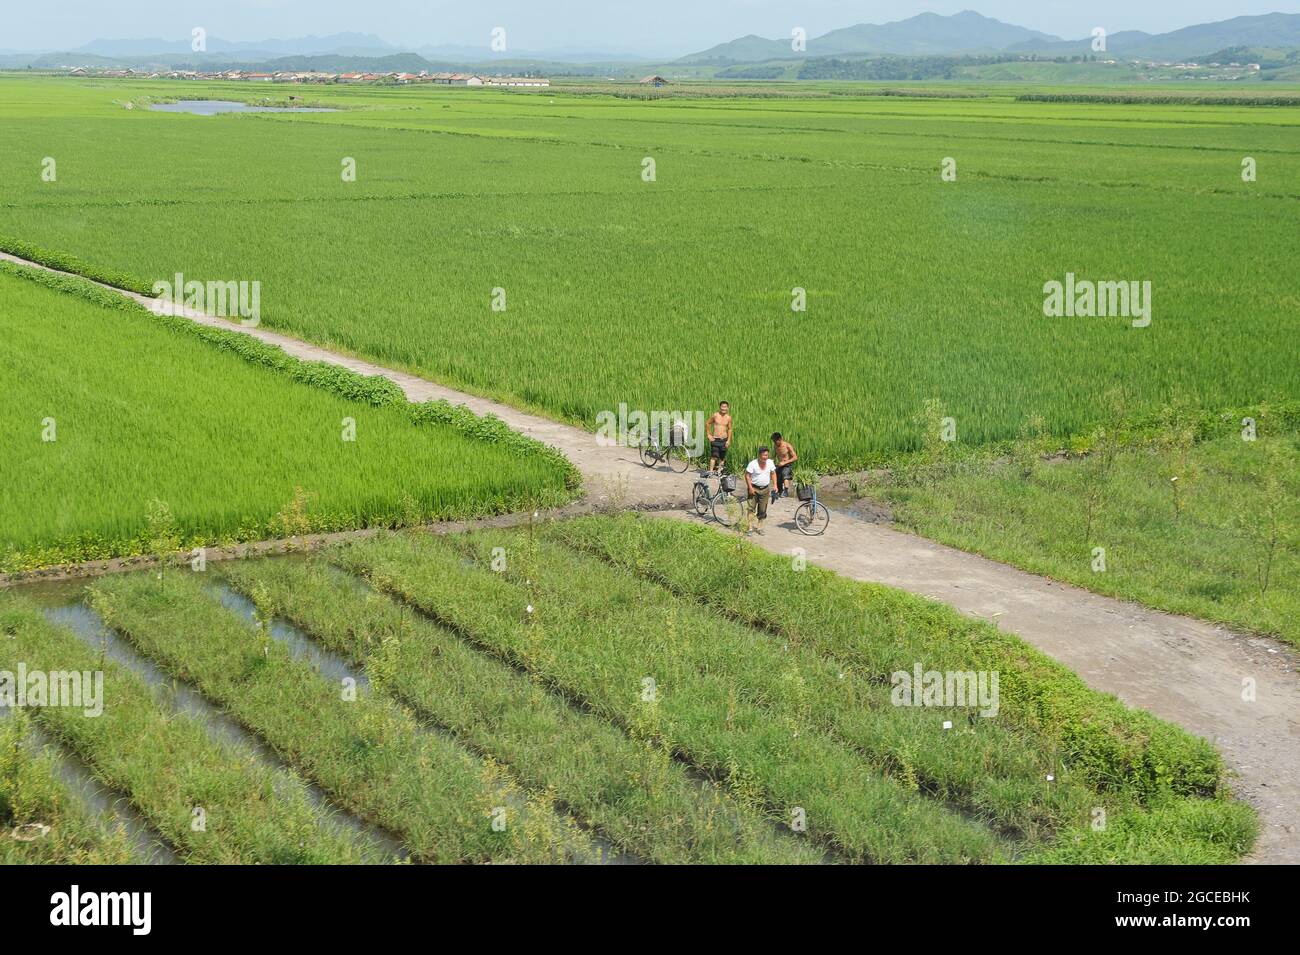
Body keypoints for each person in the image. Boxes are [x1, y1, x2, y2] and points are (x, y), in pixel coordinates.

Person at [745, 446, 777, 532]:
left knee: (762, 510)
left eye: (766, 455)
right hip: (754, 488)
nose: (765, 457)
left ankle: (759, 527)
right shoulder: (753, 464)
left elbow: (773, 474)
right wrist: (750, 488)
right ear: (759, 455)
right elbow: (747, 476)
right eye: (763, 455)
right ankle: (750, 527)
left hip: (765, 489)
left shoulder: (770, 463)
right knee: (751, 508)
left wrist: (775, 485)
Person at [706, 401, 732, 473]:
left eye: (725, 407)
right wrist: (708, 434)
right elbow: (708, 423)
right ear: (720, 407)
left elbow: (730, 429)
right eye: (722, 406)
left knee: (722, 457)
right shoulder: (715, 415)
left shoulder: (728, 418)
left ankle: (719, 472)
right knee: (714, 456)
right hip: (715, 439)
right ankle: (711, 471)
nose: (724, 408)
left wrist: (728, 440)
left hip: (724, 440)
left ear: (727, 408)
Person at [770, 432, 798, 501]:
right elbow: (774, 456)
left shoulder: (787, 446)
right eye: (773, 441)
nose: (775, 443)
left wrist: (785, 462)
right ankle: (778, 490)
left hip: (787, 464)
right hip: (780, 464)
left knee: (785, 474)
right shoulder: (775, 446)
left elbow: (795, 457)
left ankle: (786, 491)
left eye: (775, 441)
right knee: (775, 474)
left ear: (780, 439)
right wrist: (770, 461)